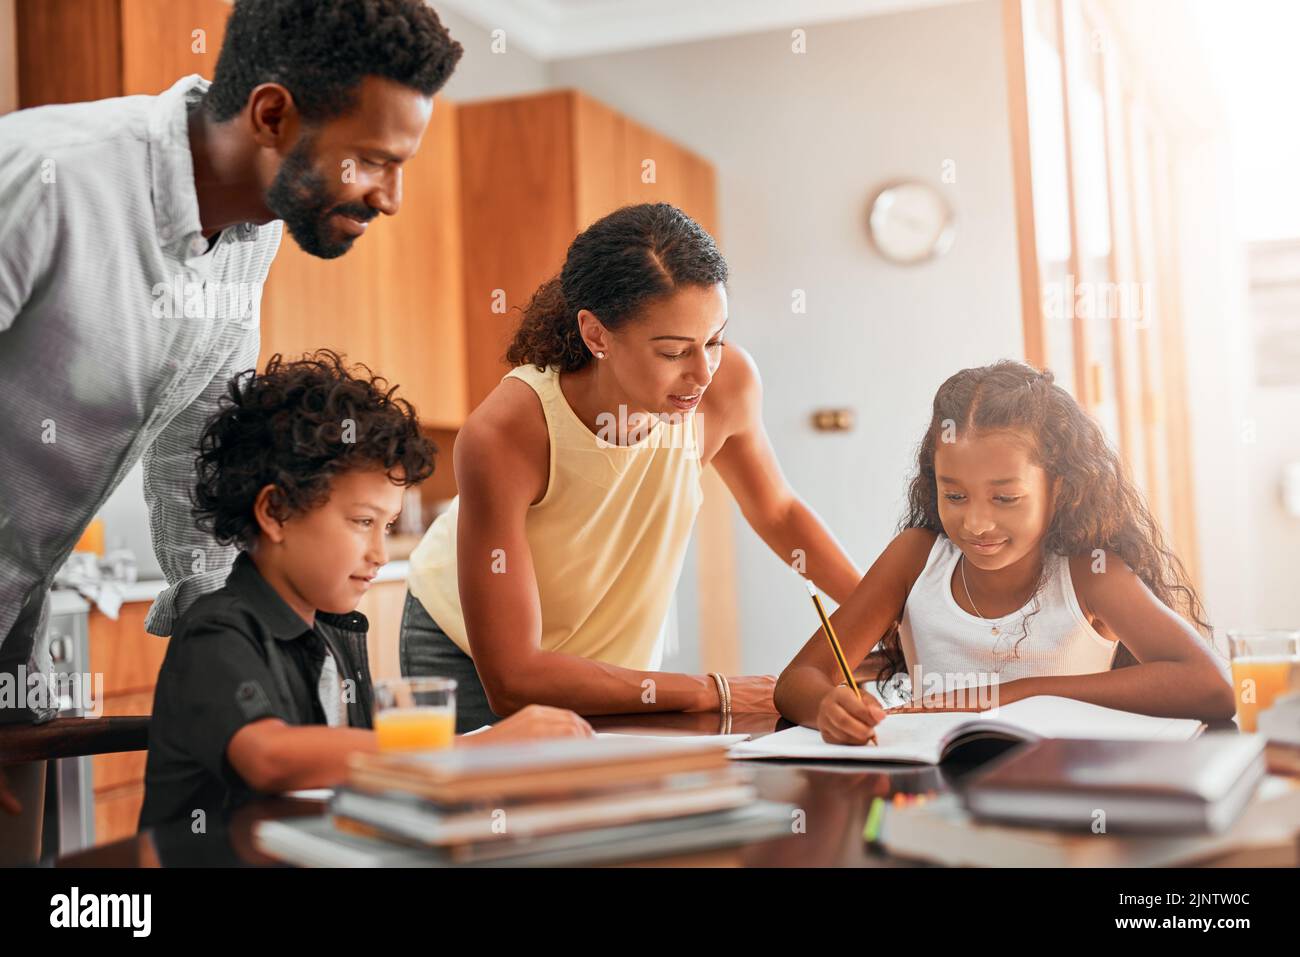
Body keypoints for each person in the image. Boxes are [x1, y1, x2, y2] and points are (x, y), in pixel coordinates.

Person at [0, 0, 461, 849]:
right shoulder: (44, 178)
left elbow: (196, 447)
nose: (391, 197)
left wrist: (237, 638)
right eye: (370, 160)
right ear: (272, 114)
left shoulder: (255, 229)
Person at [402, 203, 864, 732]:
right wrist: (722, 693)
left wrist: (880, 617)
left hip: (610, 663)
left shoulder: (727, 384)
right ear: (597, 336)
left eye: (714, 341)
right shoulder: (508, 432)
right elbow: (513, 679)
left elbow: (777, 511)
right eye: (673, 352)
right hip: (470, 656)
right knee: (516, 810)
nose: (704, 372)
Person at [139, 352, 592, 828]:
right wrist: (467, 749)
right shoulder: (218, 630)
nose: (380, 552)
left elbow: (362, 770)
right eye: (362, 522)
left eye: (388, 525)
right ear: (275, 512)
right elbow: (269, 756)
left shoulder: (334, 632)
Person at [774, 360, 1236, 744]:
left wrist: (1019, 693)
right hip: (934, 792)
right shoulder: (916, 558)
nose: (975, 523)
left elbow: (1211, 687)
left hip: (1063, 795)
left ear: (1059, 487)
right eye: (954, 496)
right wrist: (826, 706)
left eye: (1005, 498)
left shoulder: (1088, 573)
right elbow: (797, 681)